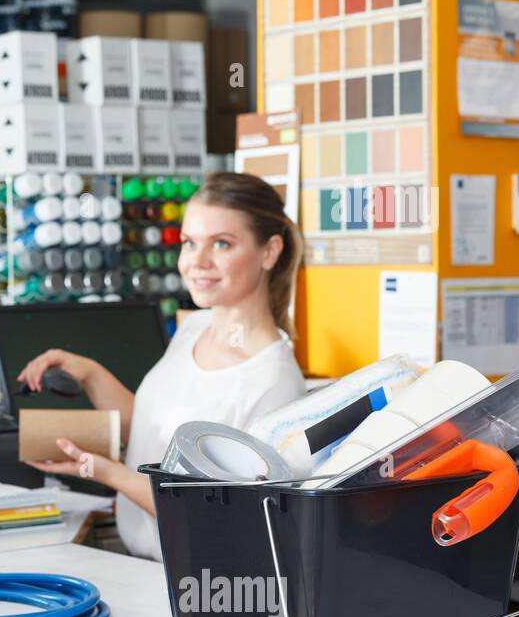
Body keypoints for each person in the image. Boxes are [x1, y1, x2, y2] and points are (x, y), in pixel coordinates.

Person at [18, 172, 307, 561]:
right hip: (138, 563)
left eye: (221, 244)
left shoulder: (273, 381)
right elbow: (159, 431)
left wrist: (107, 472)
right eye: (189, 243)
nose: (197, 262)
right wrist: (88, 372)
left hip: (199, 583)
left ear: (270, 252)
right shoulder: (196, 328)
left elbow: (228, 521)